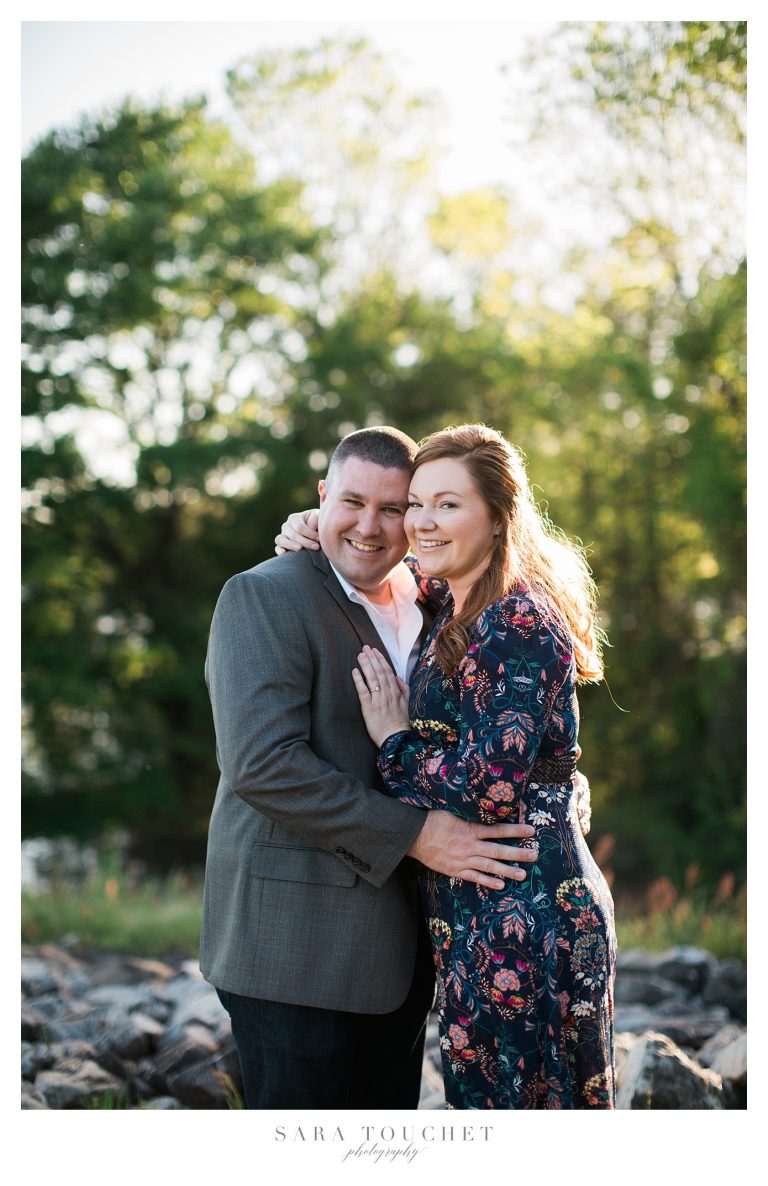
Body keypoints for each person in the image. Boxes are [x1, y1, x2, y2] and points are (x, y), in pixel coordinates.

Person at [199, 426, 542, 1110]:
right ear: (322, 496)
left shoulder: (435, 598)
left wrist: (556, 783)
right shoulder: (265, 595)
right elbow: (262, 765)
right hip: (296, 953)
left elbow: (489, 724)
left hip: (405, 954)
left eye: (393, 508)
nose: (369, 526)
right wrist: (418, 835)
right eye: (352, 502)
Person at [350, 424, 617, 1109]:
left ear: (498, 517)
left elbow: (486, 789)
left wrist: (394, 740)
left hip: (530, 908)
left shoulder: (516, 620)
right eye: (416, 504)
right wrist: (308, 525)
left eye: (448, 504)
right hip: (482, 906)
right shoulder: (452, 600)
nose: (422, 522)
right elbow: (374, 552)